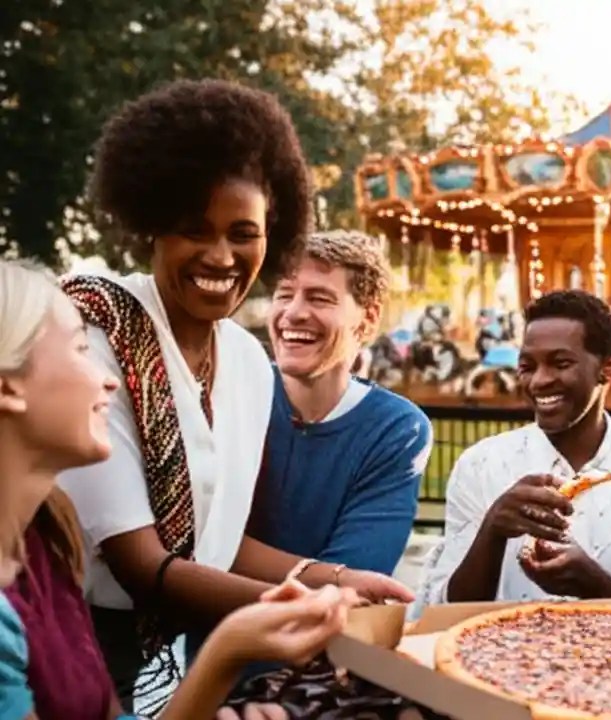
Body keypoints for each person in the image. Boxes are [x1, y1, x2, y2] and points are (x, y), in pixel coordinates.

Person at [54, 79, 409, 710]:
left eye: (243, 232)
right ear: (150, 228)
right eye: (195, 230)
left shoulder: (248, 362)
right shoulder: (95, 332)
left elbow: (218, 543)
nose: (221, 255)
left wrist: (338, 580)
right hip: (77, 648)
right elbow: (143, 566)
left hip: (178, 653)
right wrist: (306, 609)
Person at [0, 259, 360, 720]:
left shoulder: (49, 539)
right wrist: (228, 649)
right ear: (9, 386)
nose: (109, 378)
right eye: (79, 350)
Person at [414, 289, 611, 610]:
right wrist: (492, 531)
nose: (539, 381)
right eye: (527, 365)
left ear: (609, 368)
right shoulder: (481, 465)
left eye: (560, 363)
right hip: (498, 658)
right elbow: (445, 608)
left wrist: (595, 584)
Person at [249, 229, 431, 580]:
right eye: (284, 294)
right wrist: (331, 576)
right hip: (215, 634)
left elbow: (358, 573)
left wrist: (228, 557)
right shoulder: (232, 392)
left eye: (319, 299)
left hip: (328, 632)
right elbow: (196, 544)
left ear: (368, 318)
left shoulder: (396, 429)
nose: (293, 313)